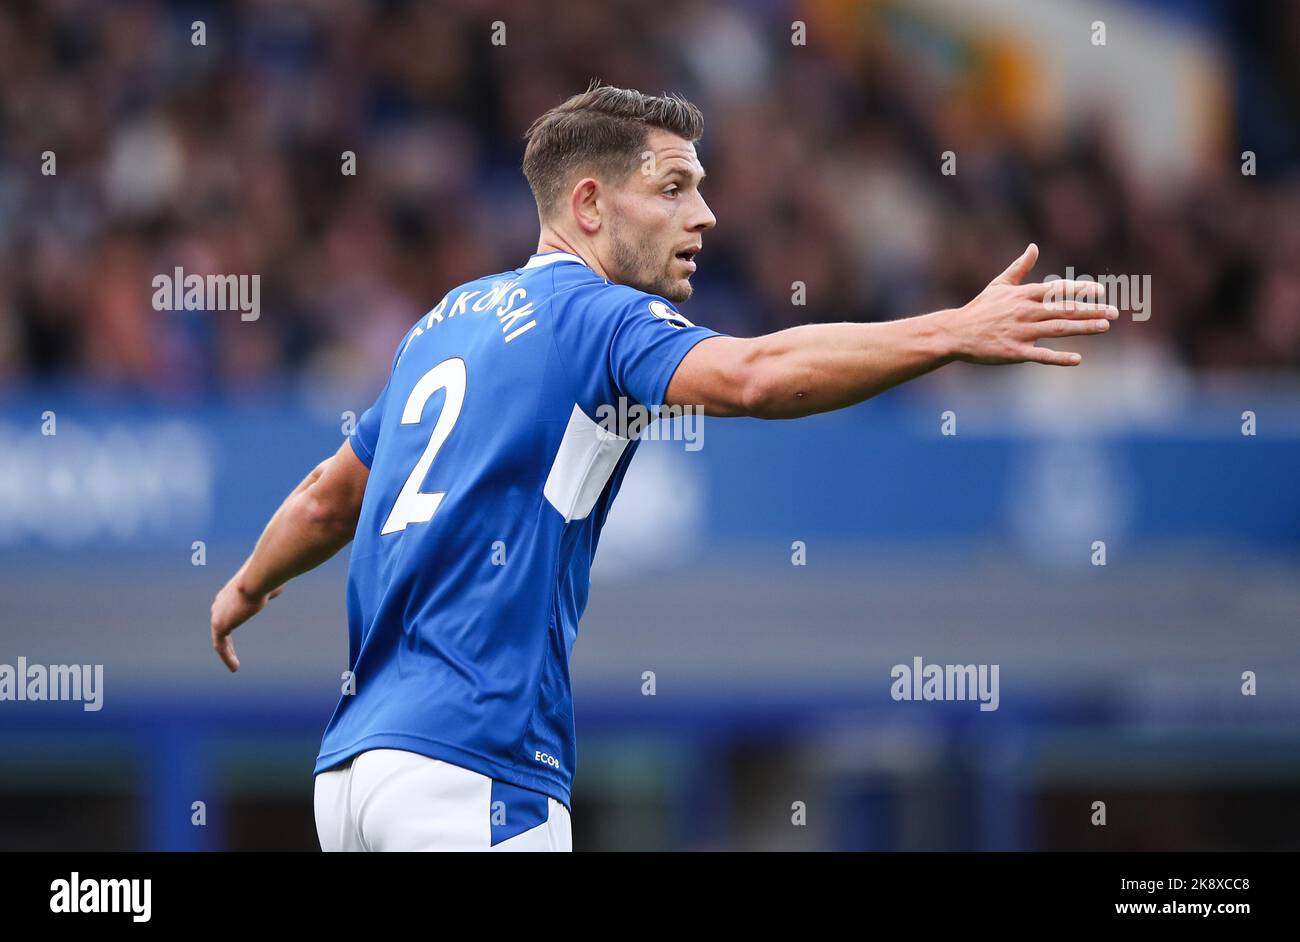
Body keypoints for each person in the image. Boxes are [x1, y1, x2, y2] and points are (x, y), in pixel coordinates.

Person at [209, 83, 1115, 851]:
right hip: (471, 764)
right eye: (674, 187)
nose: (705, 214)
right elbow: (757, 377)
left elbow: (330, 495)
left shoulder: (445, 319)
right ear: (591, 205)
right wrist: (950, 331)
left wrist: (247, 583)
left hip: (351, 778)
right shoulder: (595, 316)